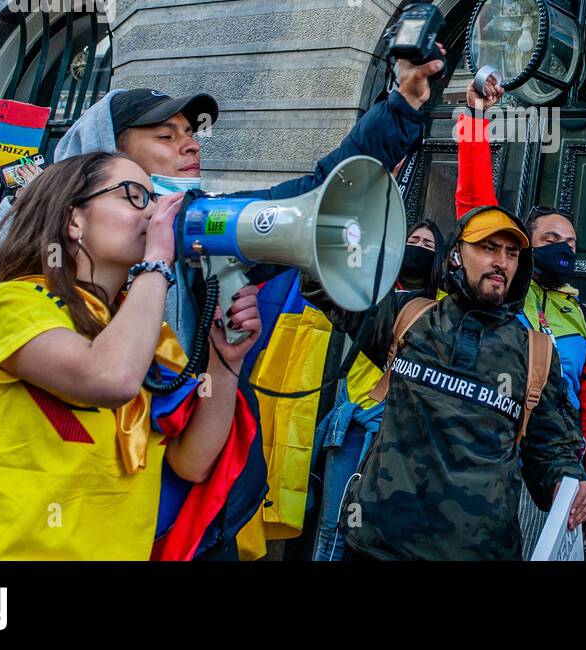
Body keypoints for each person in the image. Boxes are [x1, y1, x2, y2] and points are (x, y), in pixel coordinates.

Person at [50, 52, 443, 557]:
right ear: (102, 155)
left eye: (189, 132)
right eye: (165, 137)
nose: (190, 144)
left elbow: (317, 189)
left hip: (200, 516)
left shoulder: (208, 226)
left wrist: (403, 104)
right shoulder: (32, 287)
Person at [0, 151, 259, 560]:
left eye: (155, 197)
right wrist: (157, 263)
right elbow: (109, 378)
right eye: (134, 196)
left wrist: (225, 361)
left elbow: (191, 463)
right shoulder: (13, 303)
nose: (155, 211)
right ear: (73, 220)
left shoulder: (144, 333)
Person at [303, 204, 586, 560]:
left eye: (512, 253)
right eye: (488, 247)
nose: (501, 262)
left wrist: (571, 484)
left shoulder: (535, 353)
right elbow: (325, 282)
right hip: (377, 546)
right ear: (456, 254)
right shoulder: (410, 317)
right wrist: (361, 202)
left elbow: (551, 452)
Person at [454, 77, 586, 549]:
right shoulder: (501, 290)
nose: (563, 249)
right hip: (481, 457)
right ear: (524, 248)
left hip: (552, 472)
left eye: (570, 243)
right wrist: (476, 119)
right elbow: (476, 208)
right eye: (550, 240)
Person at [310, 219, 446, 561]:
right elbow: (319, 284)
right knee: (333, 526)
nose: (419, 248)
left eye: (429, 246)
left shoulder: (445, 312)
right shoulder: (370, 294)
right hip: (356, 424)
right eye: (413, 240)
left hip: (405, 436)